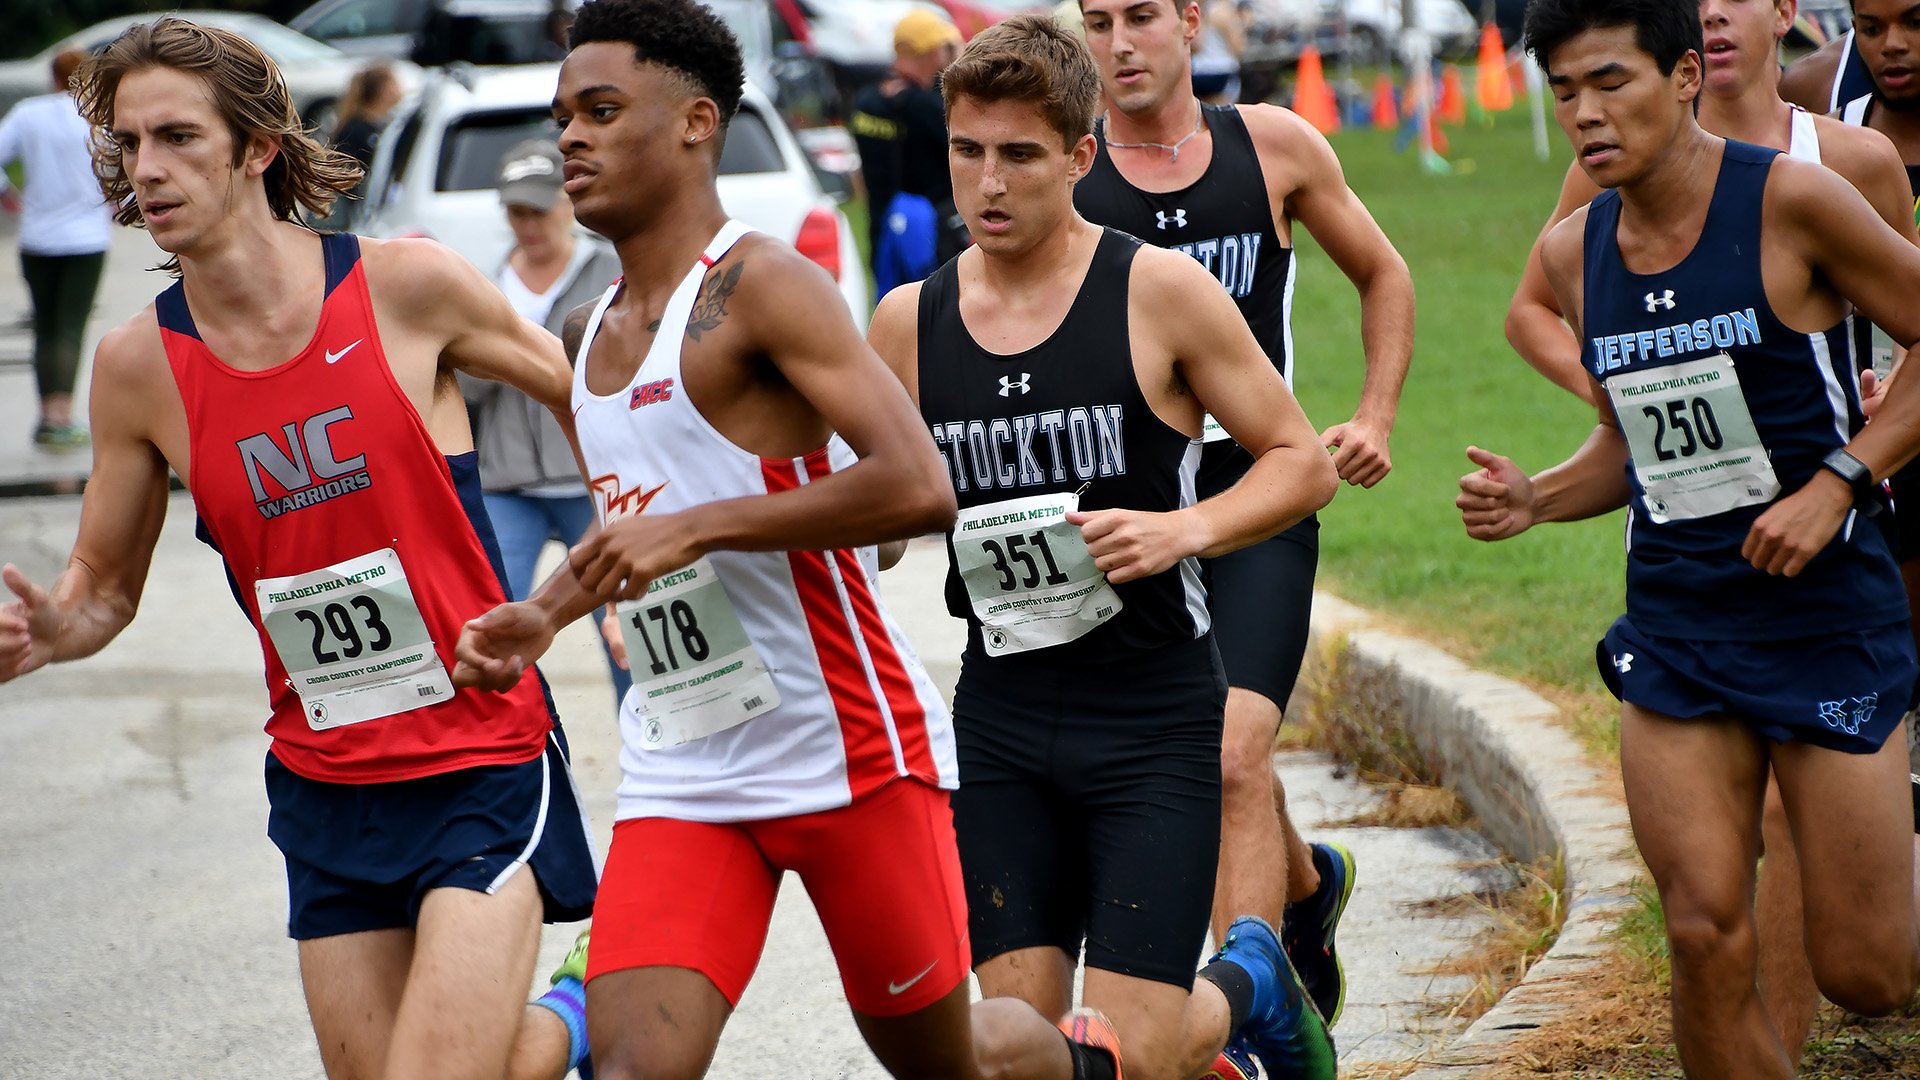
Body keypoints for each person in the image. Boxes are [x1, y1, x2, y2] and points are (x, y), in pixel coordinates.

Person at [453, 4, 1159, 1079]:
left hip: (848, 755)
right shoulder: (585, 332)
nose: (571, 141)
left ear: (696, 122)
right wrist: (543, 615)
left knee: (947, 1066)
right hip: (686, 762)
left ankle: (1085, 1065)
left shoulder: (762, 287)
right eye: (564, 119)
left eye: (601, 111)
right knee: (633, 1067)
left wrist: (698, 529)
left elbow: (917, 484)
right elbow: (642, 514)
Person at [0, 18, 598, 1080]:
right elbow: (102, 591)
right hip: (325, 785)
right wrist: (52, 627)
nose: (147, 168)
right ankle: (577, 1008)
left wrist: (636, 548)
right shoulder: (138, 366)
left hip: (481, 755)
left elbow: (596, 403)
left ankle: (575, 1002)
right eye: (129, 143)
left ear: (259, 147)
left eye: (178, 136)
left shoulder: (407, 286)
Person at [869, 14, 1342, 1080]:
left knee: (1134, 1055)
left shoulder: (1157, 291)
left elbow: (1300, 462)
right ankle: (1246, 990)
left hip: (1151, 718)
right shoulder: (907, 321)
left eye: (1021, 155)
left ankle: (1252, 982)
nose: (989, 183)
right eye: (967, 151)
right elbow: (882, 521)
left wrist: (1185, 528)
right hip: (1002, 722)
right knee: (1014, 1053)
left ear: (1081, 156)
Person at [1461, 0, 1920, 1073]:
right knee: (1704, 936)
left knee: (1870, 973)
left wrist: (1842, 480)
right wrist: (1538, 498)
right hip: (1677, 627)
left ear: (1680, 76)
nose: (1585, 113)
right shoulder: (1575, 253)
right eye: (1564, 91)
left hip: (1824, 617)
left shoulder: (1795, 200)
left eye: (1609, 82)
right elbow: (1631, 443)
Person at [1071, 0, 1417, 1037]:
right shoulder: (1068, 170)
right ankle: (1306, 886)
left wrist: (1374, 415)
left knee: (1228, 752)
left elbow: (1384, 273)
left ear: (1192, 21)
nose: (1119, 43)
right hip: (1129, 516)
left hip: (1260, 490)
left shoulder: (1272, 148)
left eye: (1141, 16)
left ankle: (1254, 1024)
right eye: (1097, 20)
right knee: (1203, 753)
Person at [464, 138, 630, 708]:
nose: (529, 225)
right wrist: (491, 355)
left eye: (539, 209)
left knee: (627, 623)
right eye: (517, 212)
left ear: (567, 201)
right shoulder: (483, 286)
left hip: (595, 482)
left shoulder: (612, 271)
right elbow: (463, 389)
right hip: (509, 483)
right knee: (493, 619)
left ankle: (648, 732)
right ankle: (509, 738)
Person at [0, 48, 113, 450]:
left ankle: (45, 416)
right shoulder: (98, 118)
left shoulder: (28, 113)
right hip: (86, 238)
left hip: (37, 237)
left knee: (45, 328)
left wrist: (7, 192)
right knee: (69, 327)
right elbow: (119, 167)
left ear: (52, 78)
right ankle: (60, 418)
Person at [858, 9, 971, 297]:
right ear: (934, 51)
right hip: (932, 233)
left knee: (891, 306)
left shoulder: (866, 102)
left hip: (883, 231)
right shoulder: (926, 107)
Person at [329, 61, 401, 173]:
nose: (399, 89)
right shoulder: (354, 130)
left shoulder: (387, 123)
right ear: (380, 89)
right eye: (394, 84)